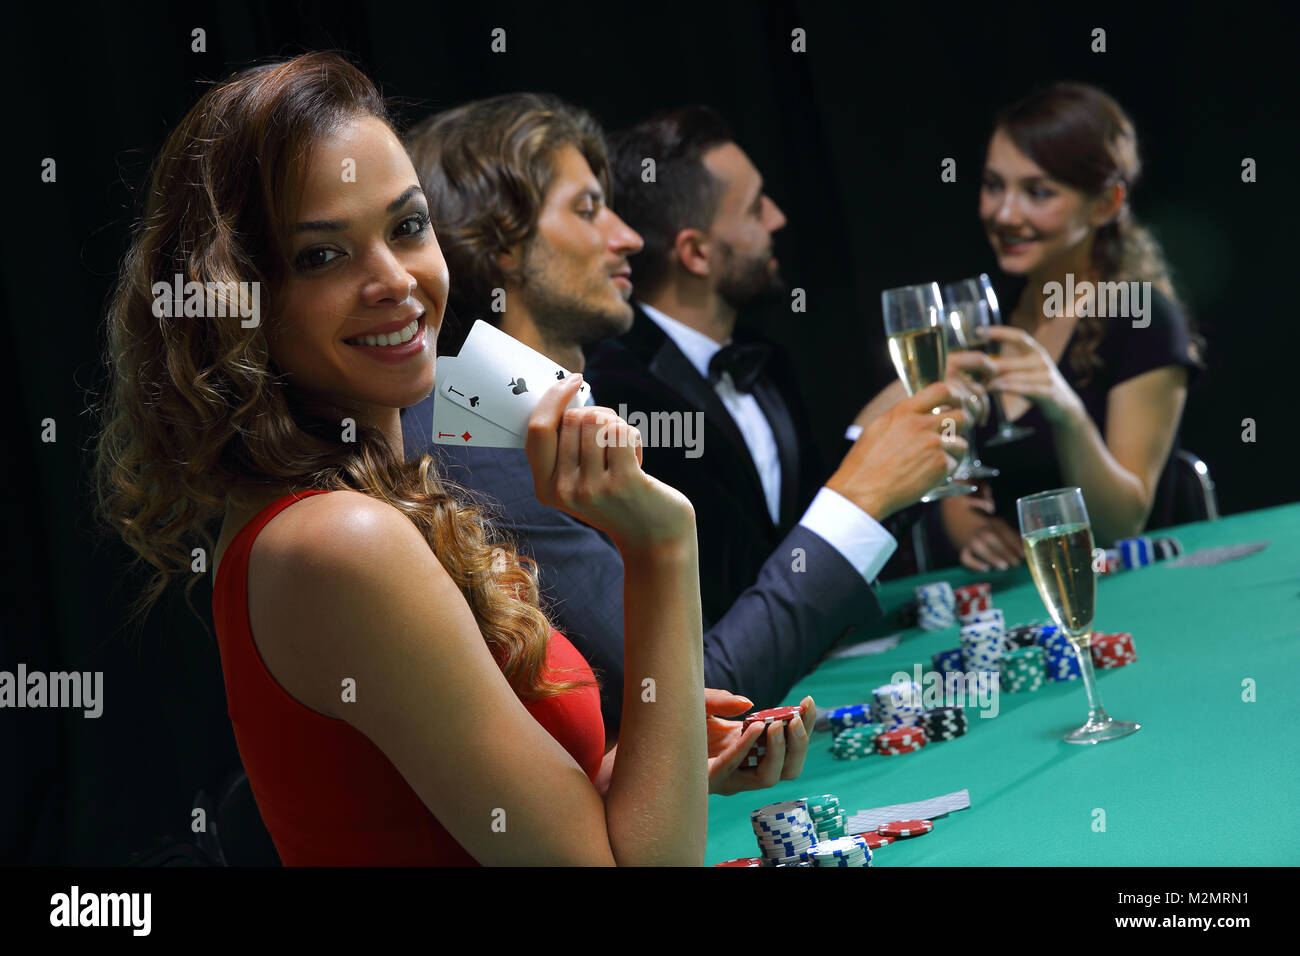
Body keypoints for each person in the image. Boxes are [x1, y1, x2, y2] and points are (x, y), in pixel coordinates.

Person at [91, 53, 795, 868]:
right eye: (321, 256)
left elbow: (459, 823)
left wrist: (653, 761)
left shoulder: (357, 507)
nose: (394, 280)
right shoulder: (341, 542)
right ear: (240, 301)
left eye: (406, 226)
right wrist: (663, 546)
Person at [402, 95, 972, 738]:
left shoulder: (520, 405)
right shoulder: (469, 438)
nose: (629, 238)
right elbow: (693, 696)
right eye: (588, 209)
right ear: (502, 243)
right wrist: (859, 498)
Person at [585, 106, 988, 612]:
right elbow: (732, 584)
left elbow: (803, 538)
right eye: (755, 209)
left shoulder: (767, 362)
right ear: (696, 253)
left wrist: (878, 430)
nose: (778, 217)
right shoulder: (618, 392)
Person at [936, 82, 1206, 572]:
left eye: (1037, 192)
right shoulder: (987, 315)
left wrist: (1067, 413)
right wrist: (968, 526)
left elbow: (1121, 525)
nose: (1004, 213)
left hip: (1135, 591)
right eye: (994, 184)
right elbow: (953, 465)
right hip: (1025, 596)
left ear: (1104, 204)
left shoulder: (1141, 316)